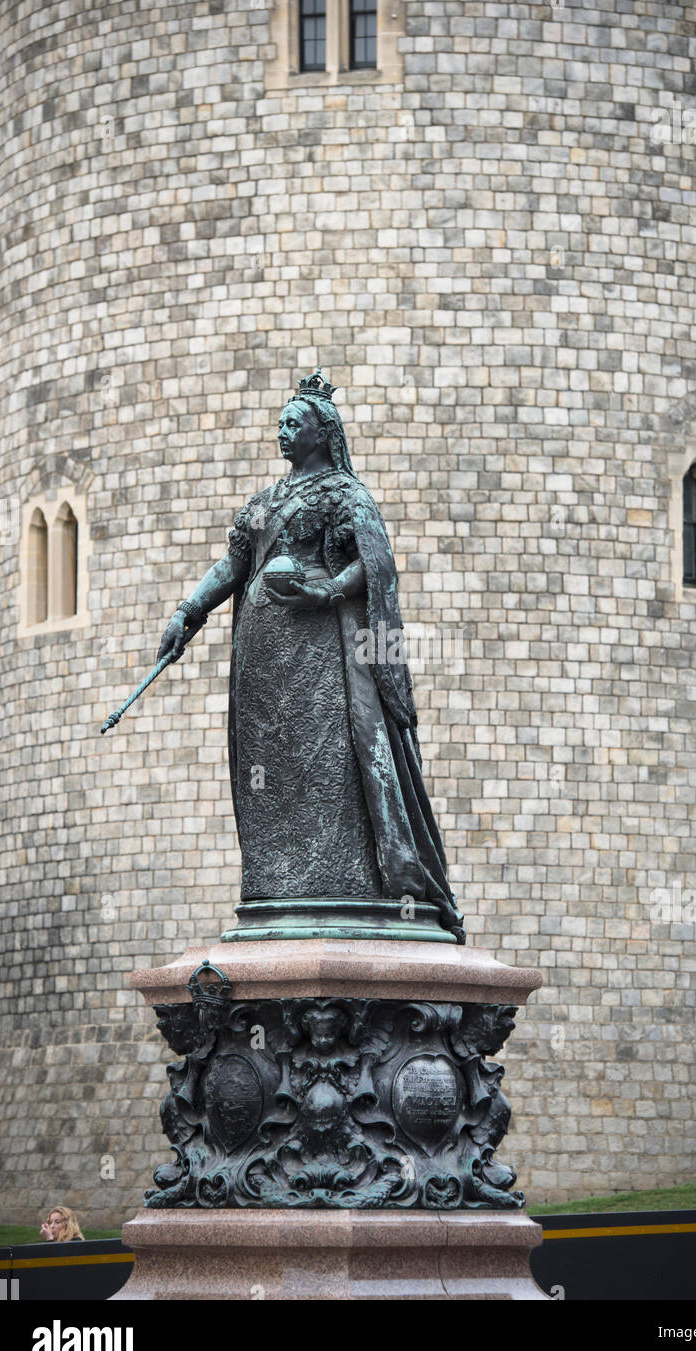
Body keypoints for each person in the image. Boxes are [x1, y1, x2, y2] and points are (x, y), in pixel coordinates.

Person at [156, 370, 464, 938]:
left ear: (322, 433)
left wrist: (326, 591)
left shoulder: (345, 495)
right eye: (280, 423)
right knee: (269, 763)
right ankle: (277, 881)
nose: (282, 431)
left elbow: (375, 564)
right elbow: (234, 565)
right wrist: (188, 612)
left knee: (328, 758)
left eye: (293, 423)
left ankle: (344, 879)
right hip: (262, 656)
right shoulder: (264, 501)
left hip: (322, 655)